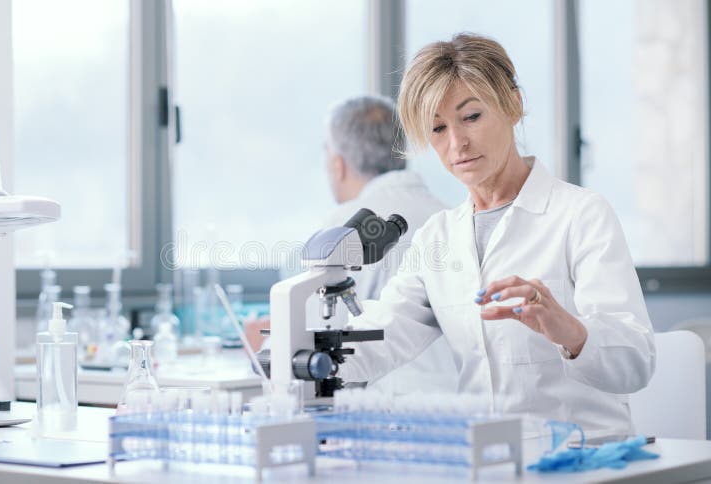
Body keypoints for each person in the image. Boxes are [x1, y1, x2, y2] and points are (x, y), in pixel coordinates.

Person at [340, 34, 655, 434]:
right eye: (437, 128)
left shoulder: (581, 214)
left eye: (471, 116)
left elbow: (636, 361)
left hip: (585, 457)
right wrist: (296, 348)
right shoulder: (437, 236)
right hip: (489, 461)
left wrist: (568, 329)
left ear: (513, 105)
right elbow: (384, 332)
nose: (457, 143)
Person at [247, 95, 457, 394]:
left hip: (393, 410)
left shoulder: (341, 228)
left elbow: (299, 349)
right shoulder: (447, 215)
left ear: (337, 164)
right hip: (460, 402)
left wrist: (267, 346)